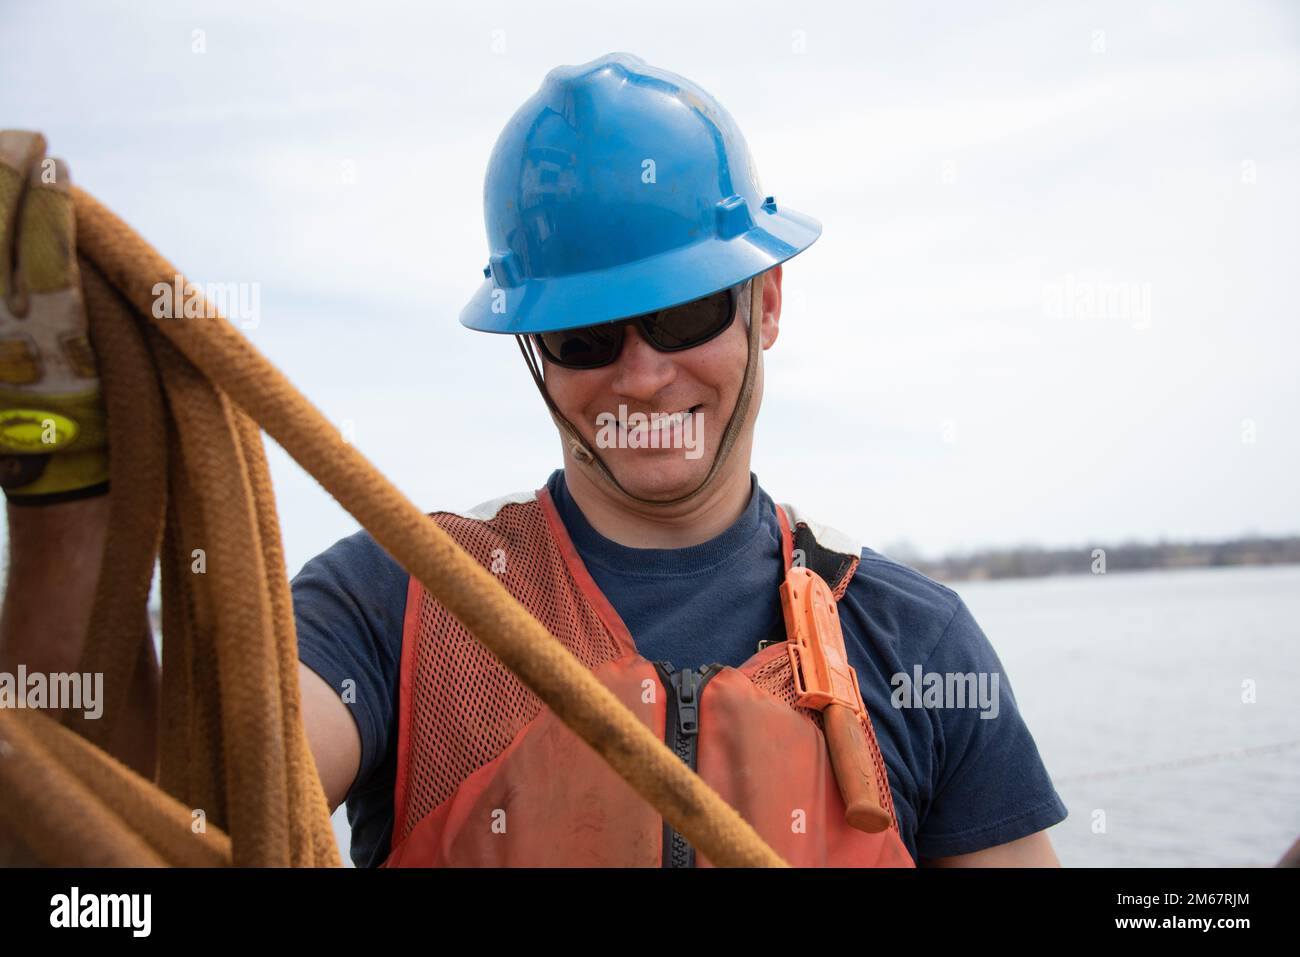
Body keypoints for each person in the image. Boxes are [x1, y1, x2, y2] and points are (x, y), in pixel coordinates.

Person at [0, 53, 1067, 868]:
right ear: (533, 353)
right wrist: (62, 490)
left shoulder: (911, 638)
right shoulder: (402, 605)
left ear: (766, 306)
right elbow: (130, 816)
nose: (641, 378)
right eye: (586, 338)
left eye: (683, 314)